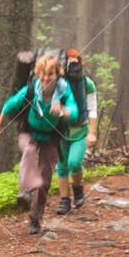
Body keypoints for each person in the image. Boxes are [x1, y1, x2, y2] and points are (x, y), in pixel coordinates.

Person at [0, 51, 78, 234]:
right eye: (43, 75)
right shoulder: (31, 89)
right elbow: (9, 105)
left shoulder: (64, 89)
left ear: (57, 74)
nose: (46, 79)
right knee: (29, 151)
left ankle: (35, 218)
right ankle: (25, 191)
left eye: (51, 75)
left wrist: (63, 110)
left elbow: (74, 110)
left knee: (45, 180)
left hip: (51, 136)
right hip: (29, 131)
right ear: (38, 74)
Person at [55, 49, 98, 213]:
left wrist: (92, 132)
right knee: (62, 165)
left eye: (75, 63)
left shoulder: (87, 84)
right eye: (68, 63)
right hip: (60, 131)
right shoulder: (56, 83)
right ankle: (64, 200)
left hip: (80, 130)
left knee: (74, 163)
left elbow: (92, 109)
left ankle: (78, 188)